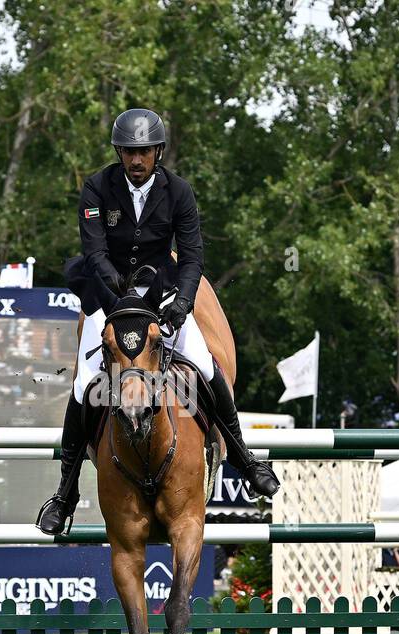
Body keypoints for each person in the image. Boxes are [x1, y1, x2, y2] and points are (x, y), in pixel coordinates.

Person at [36, 108, 280, 534]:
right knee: (83, 384)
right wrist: (119, 296)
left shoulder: (179, 192)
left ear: (158, 152)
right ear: (118, 152)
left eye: (143, 152)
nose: (135, 161)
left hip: (163, 293)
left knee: (204, 365)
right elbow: (94, 254)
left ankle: (243, 455)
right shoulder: (96, 188)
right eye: (128, 152)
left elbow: (192, 257)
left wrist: (183, 304)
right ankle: (65, 492)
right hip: (109, 297)